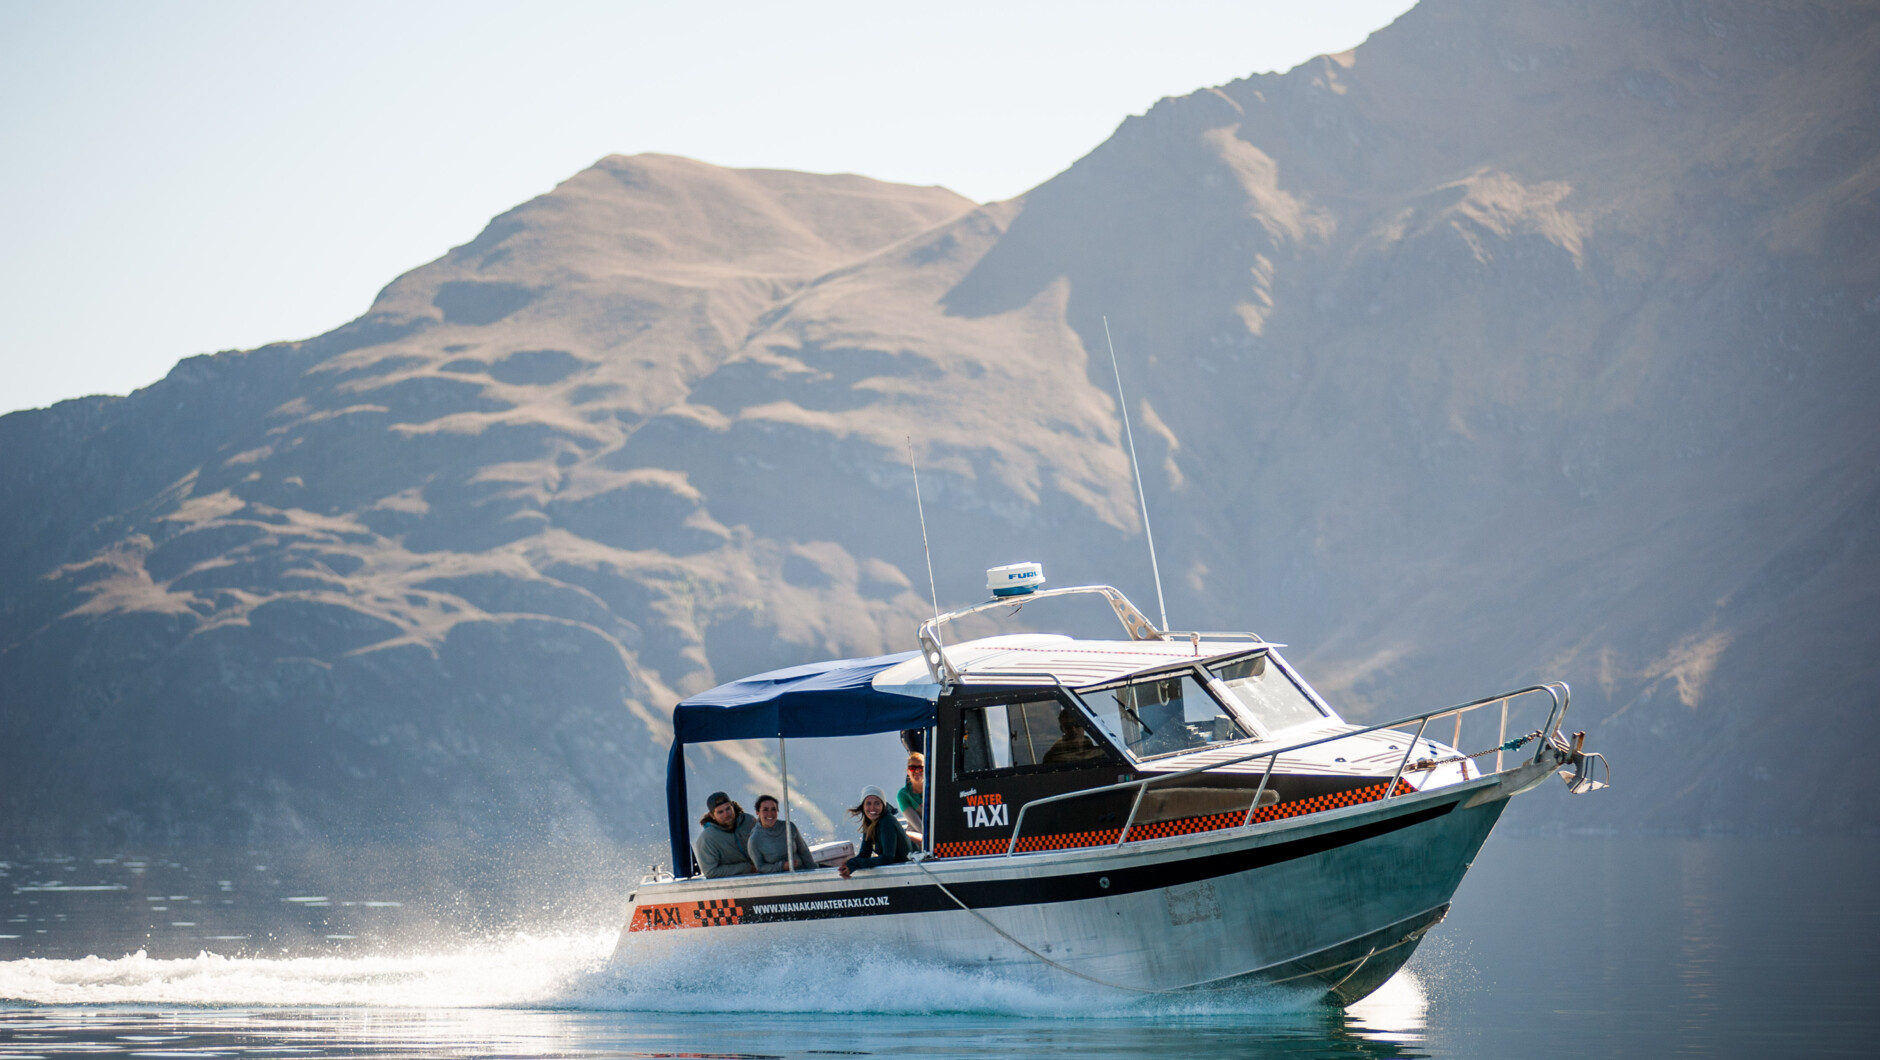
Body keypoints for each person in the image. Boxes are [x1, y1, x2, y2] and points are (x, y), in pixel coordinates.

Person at [840, 785, 911, 878]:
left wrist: (857, 863)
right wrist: (850, 865)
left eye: (877, 803)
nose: (872, 808)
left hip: (906, 873)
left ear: (883, 805)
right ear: (863, 806)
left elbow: (887, 858)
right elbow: (864, 854)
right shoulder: (870, 823)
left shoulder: (887, 822)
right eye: (868, 803)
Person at [746, 793, 817, 873]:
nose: (770, 814)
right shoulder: (754, 840)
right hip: (779, 880)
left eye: (773, 809)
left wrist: (814, 871)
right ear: (757, 812)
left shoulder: (789, 827)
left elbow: (804, 852)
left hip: (803, 873)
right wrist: (783, 866)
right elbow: (761, 867)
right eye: (765, 810)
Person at [694, 790, 757, 878]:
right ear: (712, 815)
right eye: (720, 812)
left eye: (728, 809)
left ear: (732, 806)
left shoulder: (749, 821)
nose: (726, 814)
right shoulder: (707, 838)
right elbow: (711, 871)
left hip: (765, 877)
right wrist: (748, 868)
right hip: (733, 886)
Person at [895, 752, 926, 847]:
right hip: (919, 836)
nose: (916, 771)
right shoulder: (903, 795)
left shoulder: (935, 789)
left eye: (920, 768)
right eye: (912, 768)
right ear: (908, 771)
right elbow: (920, 827)